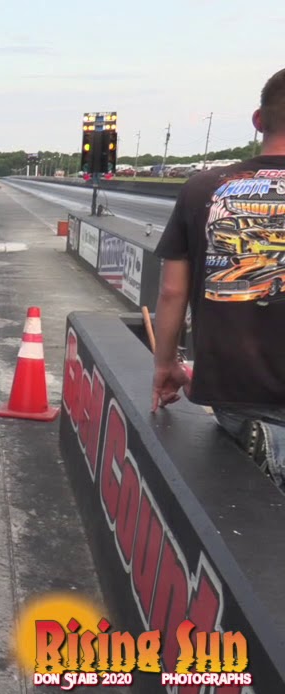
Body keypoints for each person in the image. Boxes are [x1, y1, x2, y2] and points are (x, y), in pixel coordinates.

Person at [152, 67, 285, 486]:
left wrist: (165, 364)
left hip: (236, 389)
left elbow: (173, 292)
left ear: (258, 120)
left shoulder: (202, 187)